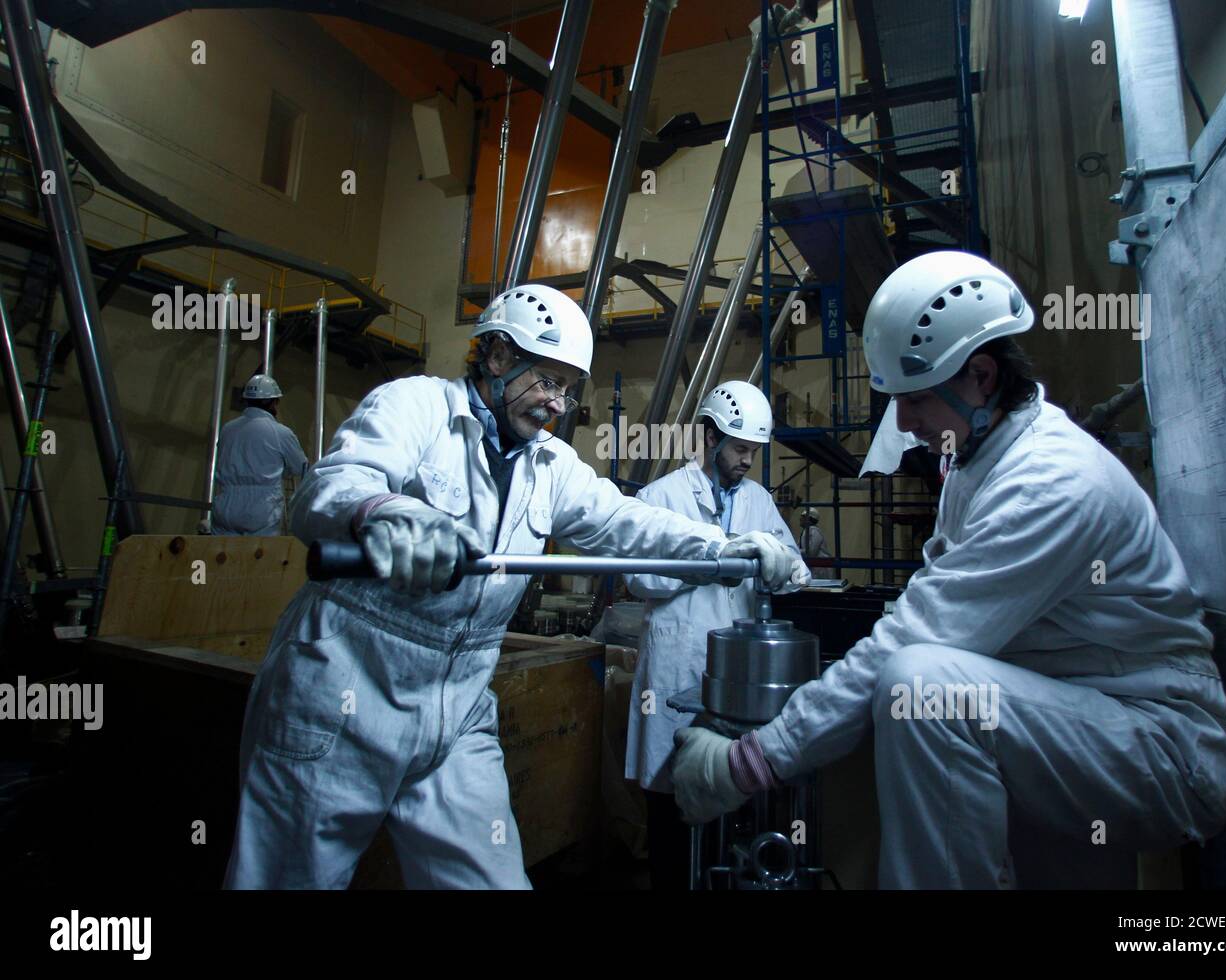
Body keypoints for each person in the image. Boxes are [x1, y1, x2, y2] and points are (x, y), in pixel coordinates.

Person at [671, 251, 1226, 888]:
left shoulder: (1049, 483)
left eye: (913, 400)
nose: (904, 423)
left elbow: (921, 635)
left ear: (981, 376)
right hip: (1072, 718)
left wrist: (750, 763)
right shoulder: (976, 462)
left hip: (1161, 744)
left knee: (923, 687)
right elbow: (932, 599)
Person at [224, 283, 797, 889]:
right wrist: (386, 512)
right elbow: (327, 489)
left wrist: (722, 548)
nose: (556, 404)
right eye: (546, 382)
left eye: (567, 391)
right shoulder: (416, 406)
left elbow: (626, 520)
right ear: (497, 357)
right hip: (347, 685)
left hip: (459, 706)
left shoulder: (549, 463)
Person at [623, 380, 809, 889]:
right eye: (741, 448)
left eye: (755, 450)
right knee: (669, 797)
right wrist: (710, 565)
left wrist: (782, 568)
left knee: (730, 790)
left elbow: (796, 568)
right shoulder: (661, 496)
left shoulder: (758, 501)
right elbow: (637, 578)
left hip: (737, 675)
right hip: (674, 662)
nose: (749, 460)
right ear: (709, 436)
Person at [210, 374, 308, 535]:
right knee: (259, 557)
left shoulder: (228, 429)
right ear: (273, 402)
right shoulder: (280, 432)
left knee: (222, 556)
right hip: (260, 508)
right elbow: (300, 467)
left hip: (225, 504)